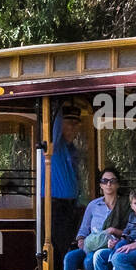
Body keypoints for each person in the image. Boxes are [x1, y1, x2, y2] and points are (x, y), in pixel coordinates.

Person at [60, 167, 132, 270]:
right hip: (91, 245)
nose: (108, 185)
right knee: (70, 258)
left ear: (118, 184)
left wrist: (114, 231)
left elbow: (131, 230)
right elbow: (83, 230)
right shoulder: (94, 205)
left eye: (112, 181)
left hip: (112, 246)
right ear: (100, 185)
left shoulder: (125, 205)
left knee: (90, 260)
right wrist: (80, 240)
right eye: (105, 181)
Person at [48, 106, 83, 257]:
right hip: (56, 205)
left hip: (71, 205)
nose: (74, 129)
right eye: (70, 123)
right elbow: (54, 125)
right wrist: (59, 99)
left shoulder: (72, 149)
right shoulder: (55, 144)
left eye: (76, 125)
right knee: (59, 245)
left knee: (70, 243)